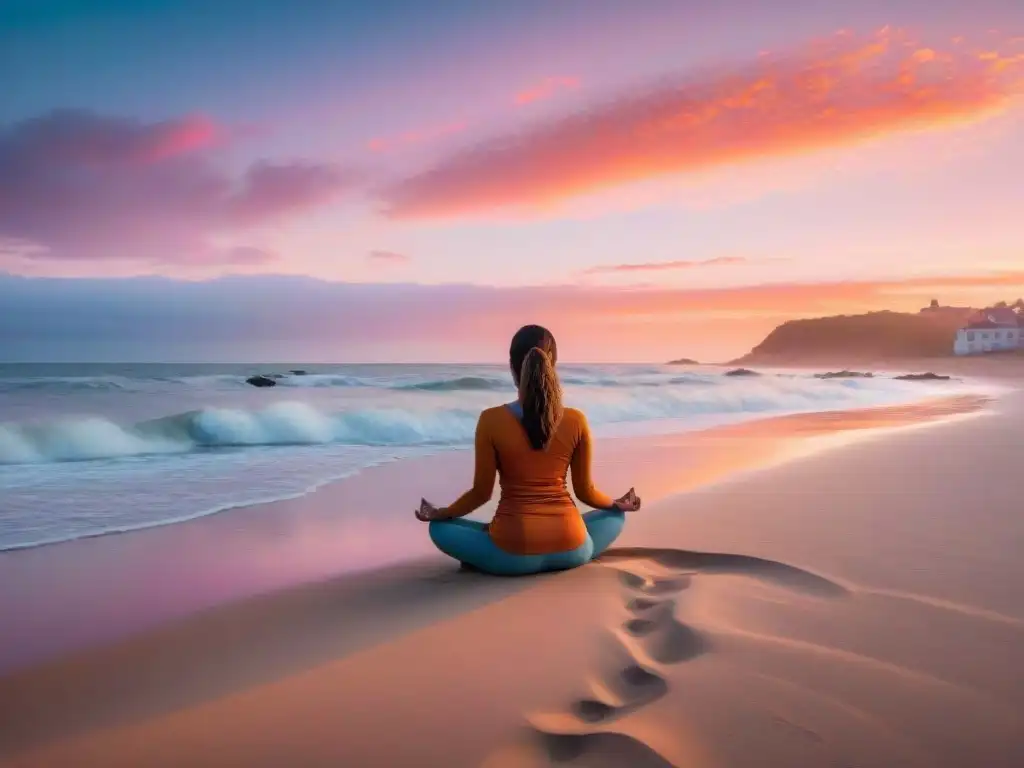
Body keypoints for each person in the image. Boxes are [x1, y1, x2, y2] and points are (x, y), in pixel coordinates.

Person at [414, 324, 641, 576]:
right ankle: (568, 543)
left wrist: (442, 513)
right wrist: (616, 503)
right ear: (552, 367)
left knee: (439, 528)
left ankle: (485, 556)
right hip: (573, 550)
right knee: (616, 516)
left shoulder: (491, 420)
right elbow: (585, 492)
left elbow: (481, 493)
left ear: (512, 368)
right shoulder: (576, 420)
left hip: (511, 557)